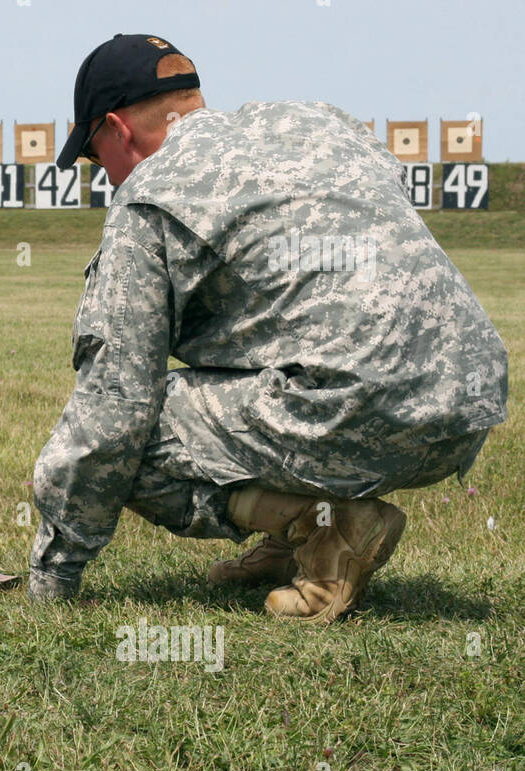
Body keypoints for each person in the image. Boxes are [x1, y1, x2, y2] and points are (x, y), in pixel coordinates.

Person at [29, 34, 508, 622]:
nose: (105, 178)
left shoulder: (149, 197)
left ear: (116, 129)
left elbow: (112, 408)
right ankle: (295, 544)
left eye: (97, 158)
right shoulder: (317, 122)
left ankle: (322, 527)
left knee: (136, 429)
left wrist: (54, 574)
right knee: (257, 362)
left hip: (360, 405)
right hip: (468, 403)